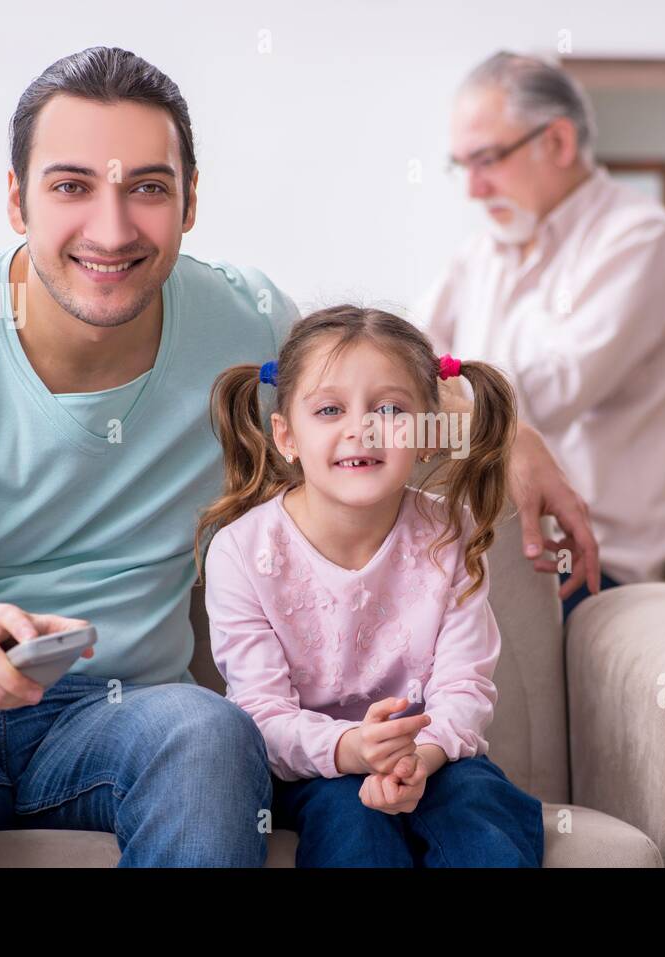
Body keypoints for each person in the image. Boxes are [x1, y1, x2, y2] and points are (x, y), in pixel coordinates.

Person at [0, 47, 594, 867]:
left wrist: (511, 435)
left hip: (120, 713)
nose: (112, 227)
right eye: (71, 186)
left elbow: (373, 382)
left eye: (147, 187)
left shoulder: (241, 322)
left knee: (209, 731)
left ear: (190, 200)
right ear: (17, 200)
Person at [197, 305, 544, 867]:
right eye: (330, 409)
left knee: (479, 802)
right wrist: (352, 749)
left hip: (432, 755)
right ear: (285, 434)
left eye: (390, 409)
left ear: (429, 433)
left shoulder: (448, 533)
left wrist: (421, 758)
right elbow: (260, 713)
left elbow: (464, 687)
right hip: (312, 765)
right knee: (353, 822)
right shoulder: (242, 551)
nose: (360, 428)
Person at [415, 51, 665, 621]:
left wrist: (437, 386)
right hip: (492, 535)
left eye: (488, 160)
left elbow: (545, 395)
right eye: (462, 166)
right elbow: (408, 356)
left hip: (580, 558)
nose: (473, 189)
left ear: (558, 142)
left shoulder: (641, 240)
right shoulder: (484, 251)